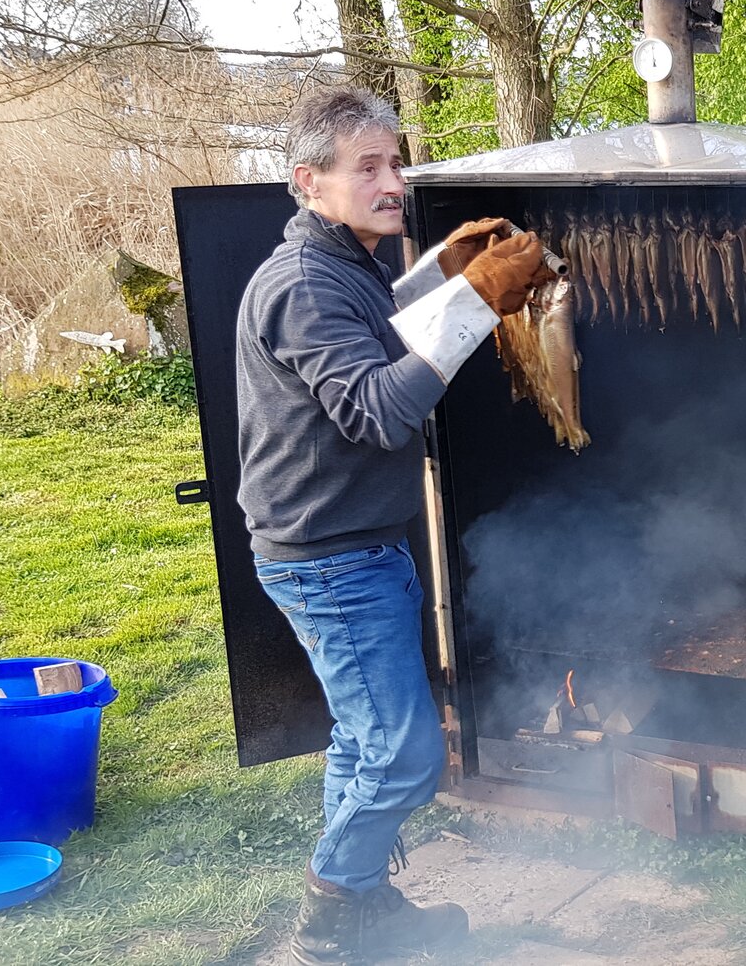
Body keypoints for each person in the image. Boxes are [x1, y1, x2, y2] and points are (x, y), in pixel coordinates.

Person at [234, 85, 554, 964]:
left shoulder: (345, 267)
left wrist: (439, 275)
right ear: (309, 183)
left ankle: (367, 906)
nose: (394, 180)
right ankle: (332, 914)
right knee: (407, 758)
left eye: (395, 161)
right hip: (329, 560)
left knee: (363, 738)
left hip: (359, 547)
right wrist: (479, 303)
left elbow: (378, 334)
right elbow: (377, 410)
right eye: (367, 167)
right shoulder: (302, 285)